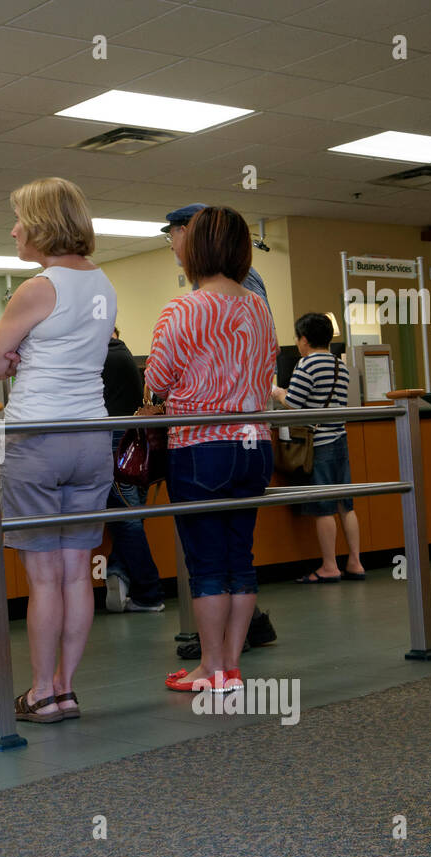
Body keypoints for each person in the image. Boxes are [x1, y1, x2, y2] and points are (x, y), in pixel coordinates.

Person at [0, 176, 116, 723]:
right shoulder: (104, 284)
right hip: (91, 438)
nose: (14, 229)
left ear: (42, 227)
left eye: (19, 220)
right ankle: (66, 687)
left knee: (43, 577)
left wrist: (4, 350)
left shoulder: (38, 286)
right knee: (77, 570)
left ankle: (40, 692)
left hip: (37, 437)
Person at [146, 206, 279, 695]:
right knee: (240, 557)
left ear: (195, 248)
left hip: (201, 447)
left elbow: (157, 380)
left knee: (205, 562)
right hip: (255, 445)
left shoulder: (182, 310)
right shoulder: (259, 308)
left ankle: (212, 667)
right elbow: (266, 372)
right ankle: (233, 667)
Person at [273, 312, 365, 583]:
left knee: (324, 506)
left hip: (318, 443)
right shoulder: (339, 365)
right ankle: (355, 562)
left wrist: (277, 392)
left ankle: (329, 566)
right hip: (340, 438)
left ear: (304, 339)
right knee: (345, 504)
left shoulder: (307, 364)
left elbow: (295, 403)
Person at [102, 327, 165, 612]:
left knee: (126, 518)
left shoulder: (97, 356)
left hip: (111, 442)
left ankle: (148, 592)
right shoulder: (123, 352)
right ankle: (118, 571)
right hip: (133, 443)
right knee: (132, 516)